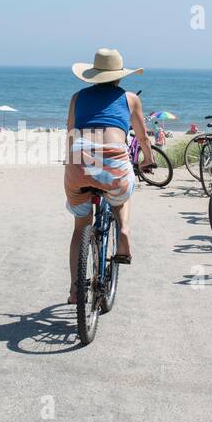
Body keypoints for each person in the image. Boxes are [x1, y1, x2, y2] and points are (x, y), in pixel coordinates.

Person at [64, 48, 153, 302]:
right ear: (119, 76)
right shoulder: (130, 99)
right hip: (113, 163)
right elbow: (144, 138)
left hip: (78, 161)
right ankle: (123, 230)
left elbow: (70, 134)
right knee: (122, 193)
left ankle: (74, 290)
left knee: (80, 226)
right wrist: (149, 158)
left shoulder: (77, 98)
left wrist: (69, 166)